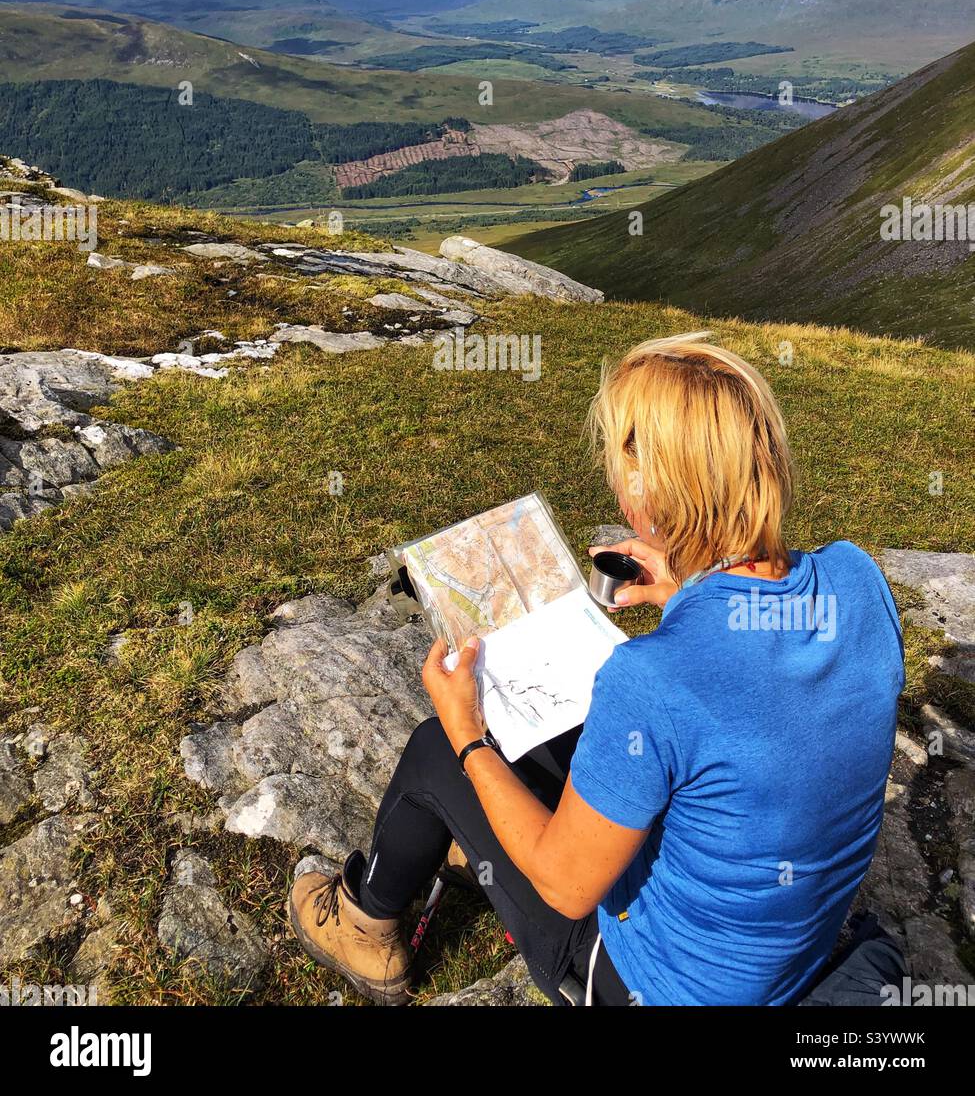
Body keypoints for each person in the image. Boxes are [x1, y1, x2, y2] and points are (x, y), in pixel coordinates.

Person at [288, 333, 905, 1006]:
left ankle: (361, 922)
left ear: (646, 491)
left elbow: (566, 885)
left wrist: (466, 728)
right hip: (785, 957)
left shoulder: (654, 677)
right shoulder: (857, 579)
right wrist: (691, 588)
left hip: (644, 984)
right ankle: (472, 843)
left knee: (441, 747)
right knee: (591, 750)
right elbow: (763, 701)